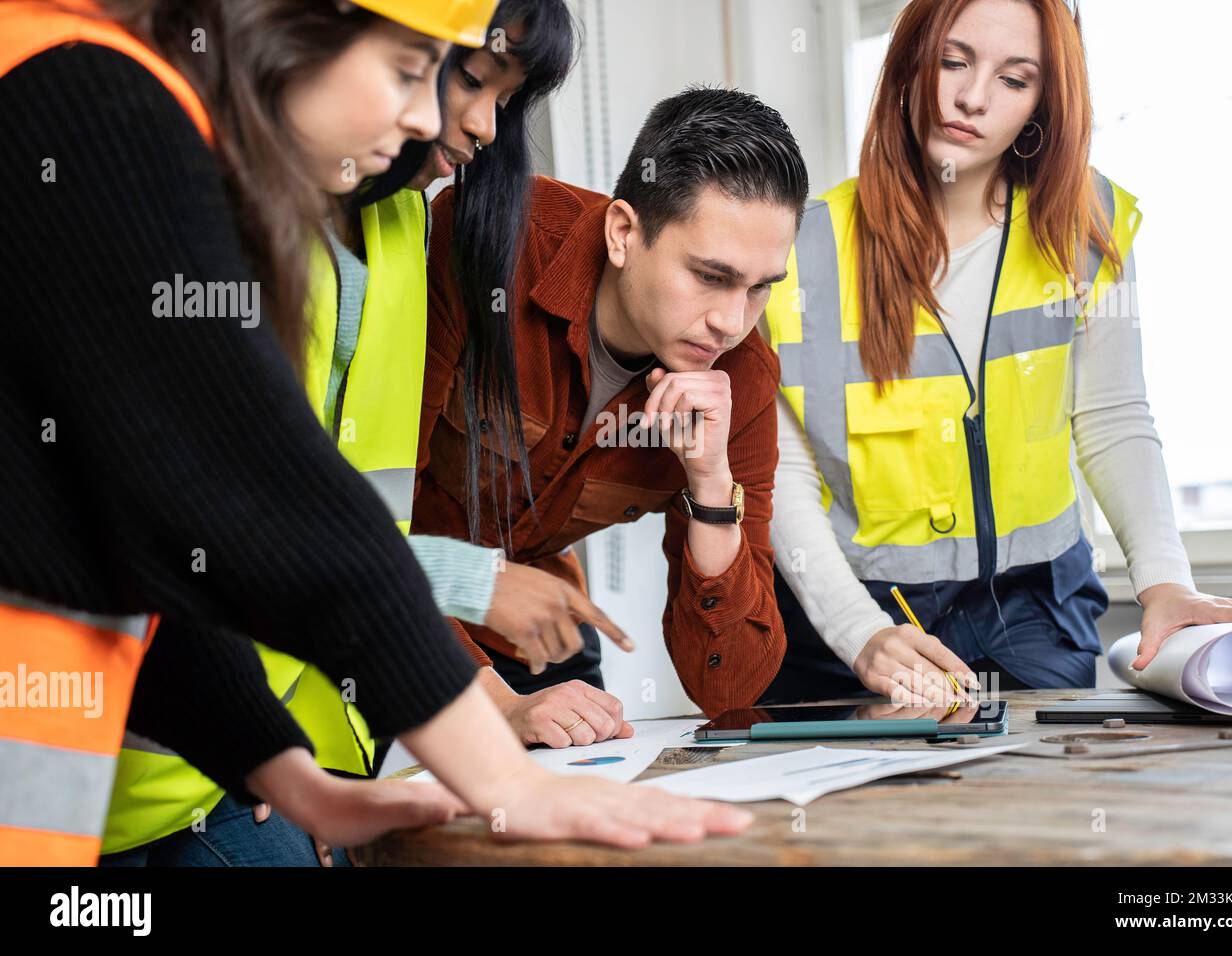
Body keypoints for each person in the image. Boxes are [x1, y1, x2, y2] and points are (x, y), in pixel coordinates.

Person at [0, 0, 750, 866]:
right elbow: (260, 500)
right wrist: (506, 782)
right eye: (410, 68)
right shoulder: (93, 98)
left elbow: (130, 539)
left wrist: (291, 779)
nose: (432, 117)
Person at [760, 0, 1232, 706]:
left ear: (1043, 102)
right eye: (953, 61)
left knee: (1049, 803)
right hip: (858, 615)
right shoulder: (799, 249)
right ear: (910, 60)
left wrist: (1165, 581)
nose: (972, 97)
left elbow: (1114, 418)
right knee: (873, 813)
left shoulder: (1088, 226)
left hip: (1036, 609)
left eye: (1014, 78)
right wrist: (857, 631)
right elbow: (778, 472)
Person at [414, 86, 810, 737]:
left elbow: (728, 688)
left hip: (535, 638)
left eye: (761, 287)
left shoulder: (740, 376)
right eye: (711, 276)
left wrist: (710, 488)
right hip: (384, 613)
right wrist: (494, 706)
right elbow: (363, 506)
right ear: (624, 233)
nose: (731, 322)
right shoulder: (493, 241)